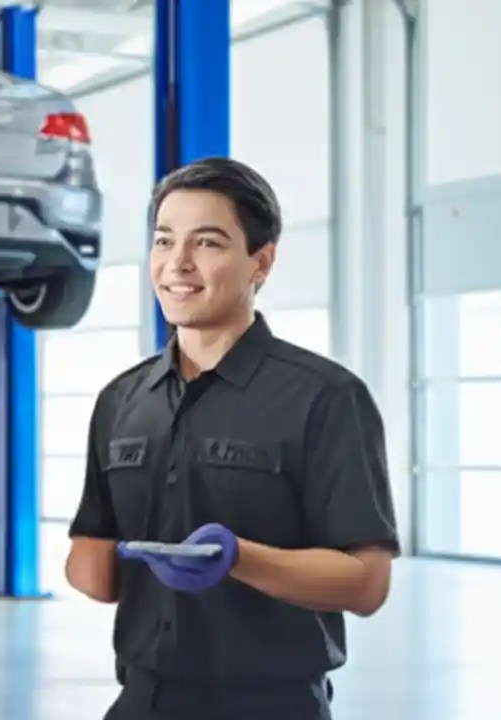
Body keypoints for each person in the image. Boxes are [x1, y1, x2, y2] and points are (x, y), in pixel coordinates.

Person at [65, 157, 399, 720]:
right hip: (141, 702)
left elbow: (367, 584)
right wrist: (108, 559)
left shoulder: (326, 398)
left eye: (209, 243)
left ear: (260, 262)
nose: (178, 264)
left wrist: (238, 559)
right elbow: (92, 564)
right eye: (164, 241)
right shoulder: (121, 400)